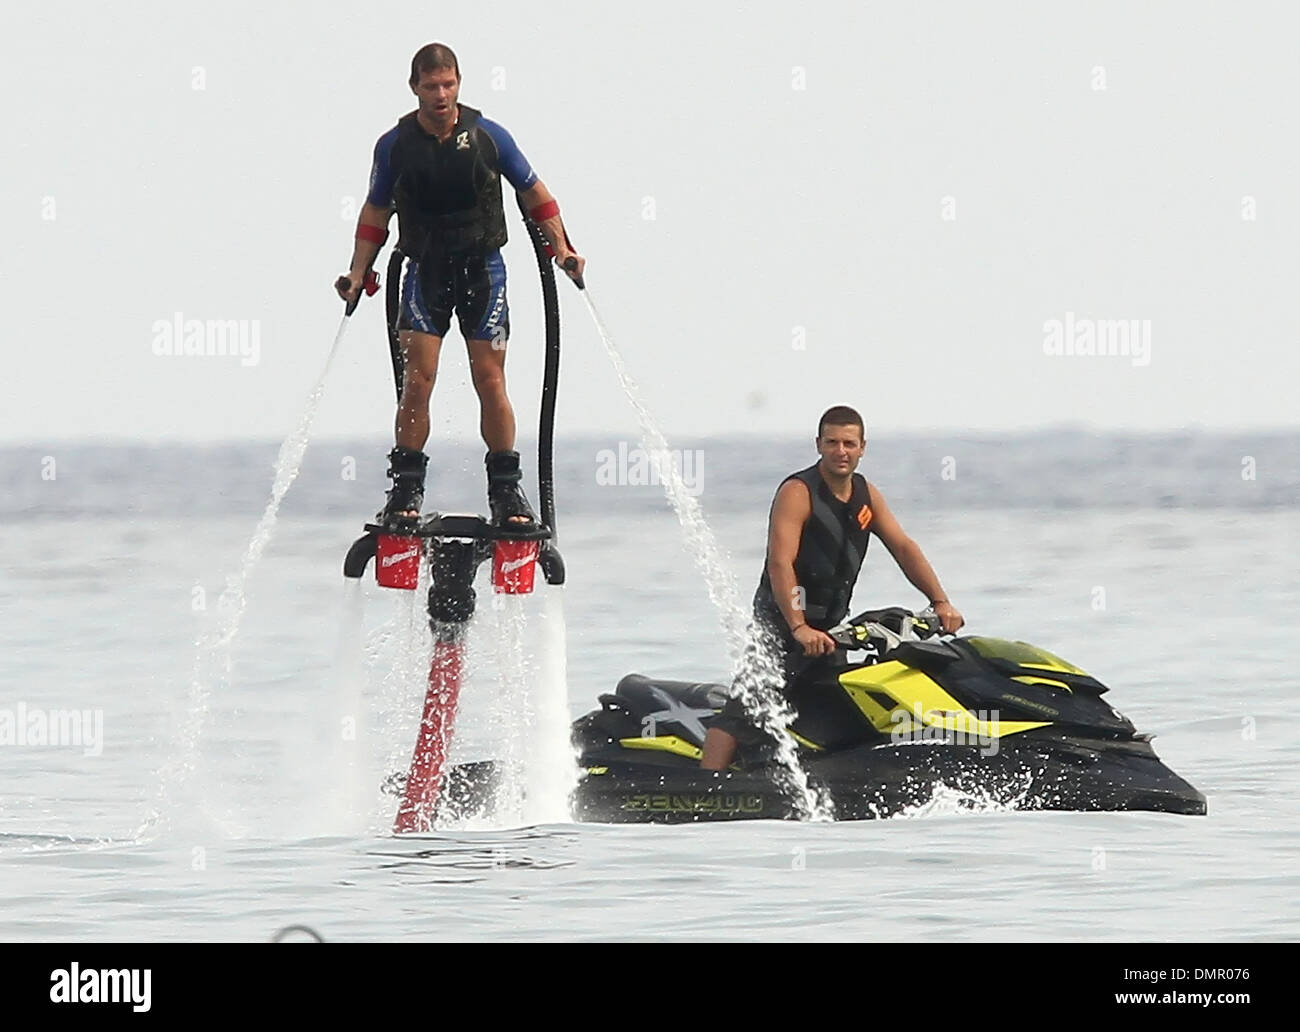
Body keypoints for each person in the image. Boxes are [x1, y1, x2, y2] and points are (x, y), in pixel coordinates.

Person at [336, 42, 585, 526]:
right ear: (415, 89)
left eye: (448, 84)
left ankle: (507, 494)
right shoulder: (395, 145)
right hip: (425, 274)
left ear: (459, 85)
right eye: (431, 86)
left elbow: (536, 194)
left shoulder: (489, 136)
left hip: (482, 271)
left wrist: (563, 249)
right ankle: (405, 493)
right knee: (417, 383)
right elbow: (374, 212)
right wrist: (356, 270)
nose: (441, 94)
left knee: (490, 379)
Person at [699, 405, 966, 770]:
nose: (841, 451)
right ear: (819, 445)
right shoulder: (798, 491)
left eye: (849, 443)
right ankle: (706, 787)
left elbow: (903, 547)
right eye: (832, 442)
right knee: (744, 710)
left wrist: (940, 601)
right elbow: (781, 562)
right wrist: (797, 626)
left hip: (831, 631)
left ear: (862, 448)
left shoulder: (865, 495)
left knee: (830, 706)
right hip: (780, 625)